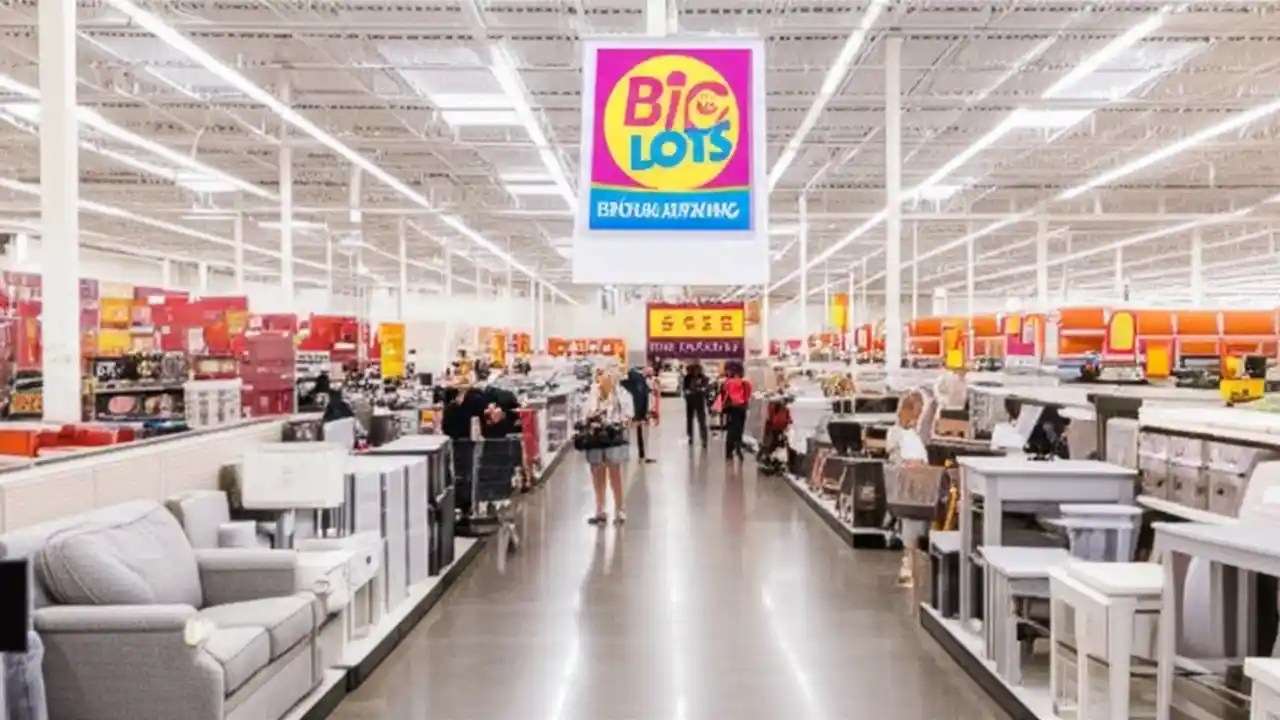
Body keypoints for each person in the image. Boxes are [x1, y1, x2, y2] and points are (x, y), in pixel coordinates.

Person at [585, 371, 634, 525]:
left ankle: (620, 509)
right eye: (600, 375)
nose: (602, 379)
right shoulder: (593, 394)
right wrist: (592, 417)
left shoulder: (621, 394)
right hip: (595, 437)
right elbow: (585, 413)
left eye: (606, 375)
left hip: (614, 438)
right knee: (597, 473)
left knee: (615, 474)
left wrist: (619, 423)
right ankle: (600, 510)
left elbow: (628, 415)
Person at [719, 361, 753, 461]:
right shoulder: (745, 383)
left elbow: (724, 396)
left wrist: (723, 408)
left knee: (732, 429)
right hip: (741, 408)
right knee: (739, 429)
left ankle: (729, 451)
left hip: (732, 408)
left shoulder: (727, 382)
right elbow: (747, 395)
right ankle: (738, 449)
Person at [623, 366, 655, 464]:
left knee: (641, 434)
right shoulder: (637, 379)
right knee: (629, 433)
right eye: (650, 373)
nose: (651, 375)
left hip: (640, 412)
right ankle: (630, 455)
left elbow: (646, 398)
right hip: (635, 412)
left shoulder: (644, 382)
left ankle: (642, 456)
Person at [683, 362, 710, 447]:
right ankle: (690, 437)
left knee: (701, 420)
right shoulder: (687, 378)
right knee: (690, 420)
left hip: (699, 400)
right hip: (690, 401)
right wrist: (687, 392)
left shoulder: (703, 378)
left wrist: (702, 390)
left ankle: (704, 439)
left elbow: (706, 389)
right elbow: (685, 388)